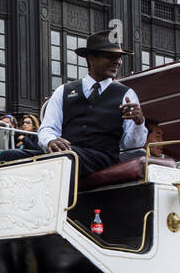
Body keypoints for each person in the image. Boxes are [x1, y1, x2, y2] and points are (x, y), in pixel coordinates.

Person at [36, 29, 148, 175]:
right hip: (69, 153)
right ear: (91, 58)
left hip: (103, 159)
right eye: (110, 56)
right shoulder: (63, 91)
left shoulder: (126, 94)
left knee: (67, 157)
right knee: (10, 156)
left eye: (119, 57)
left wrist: (139, 123)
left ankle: (65, 197)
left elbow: (131, 146)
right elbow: (47, 128)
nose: (117, 62)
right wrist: (51, 141)